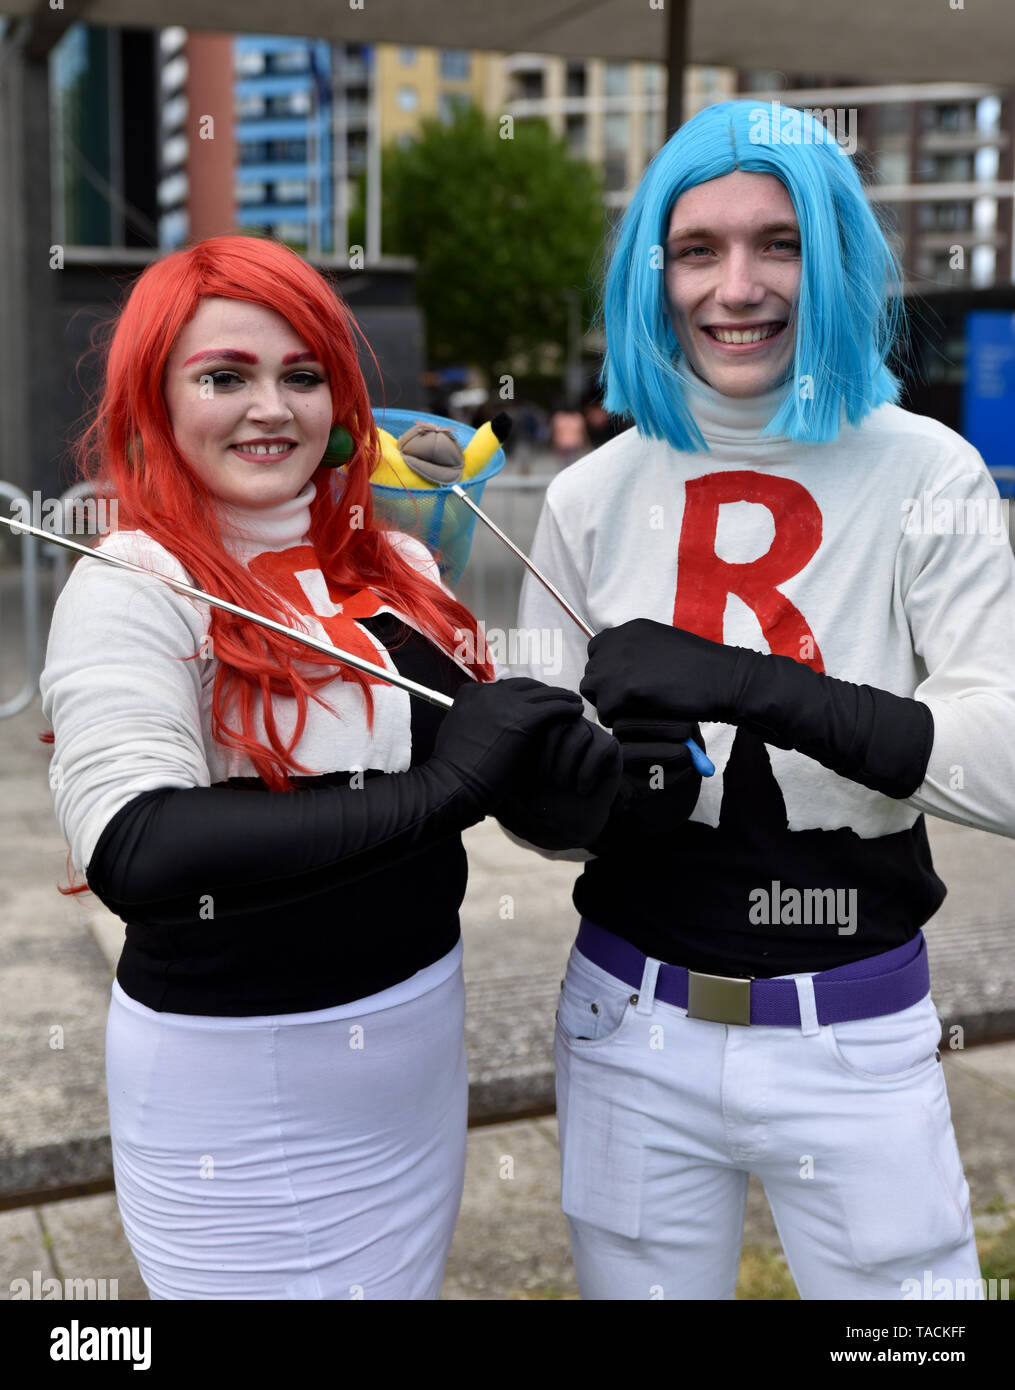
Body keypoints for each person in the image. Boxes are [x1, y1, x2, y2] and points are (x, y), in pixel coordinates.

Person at [39, 235, 620, 1300]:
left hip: (413, 1050)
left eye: (301, 375)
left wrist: (592, 773)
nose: (272, 406)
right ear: (154, 402)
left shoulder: (392, 563)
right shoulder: (132, 581)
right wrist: (440, 794)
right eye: (224, 376)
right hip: (235, 1092)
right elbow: (139, 847)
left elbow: (493, 765)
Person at [512, 100, 1015, 1300]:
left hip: (853, 1029)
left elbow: (1000, 765)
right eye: (698, 249)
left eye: (776, 243)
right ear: (657, 269)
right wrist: (569, 782)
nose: (735, 286)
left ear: (830, 255)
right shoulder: (585, 495)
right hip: (626, 1024)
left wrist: (755, 688)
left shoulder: (927, 469)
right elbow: (537, 813)